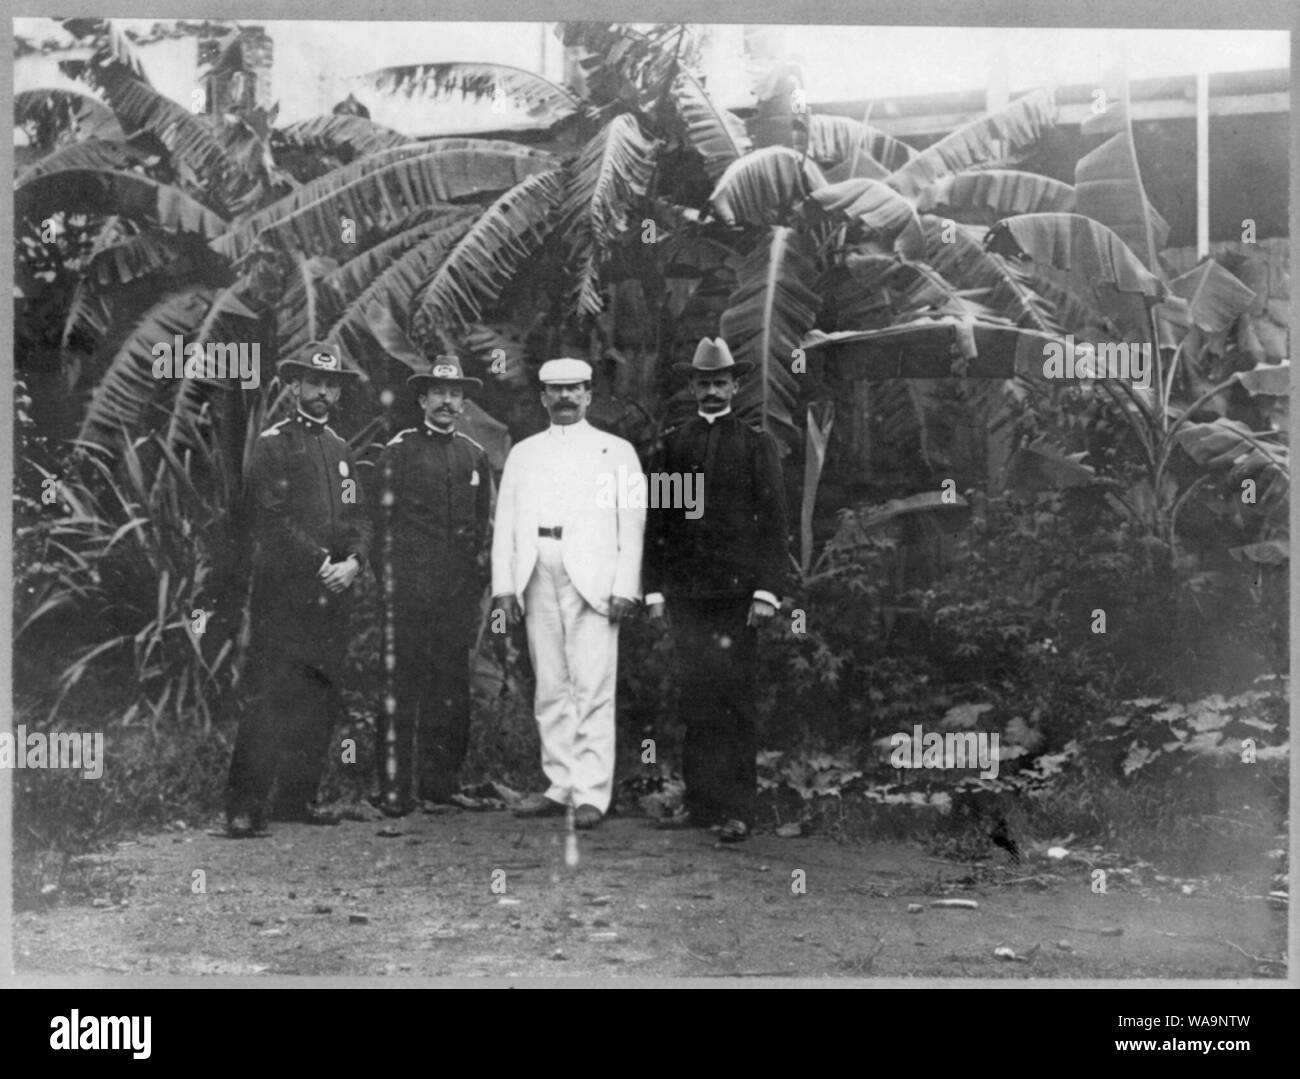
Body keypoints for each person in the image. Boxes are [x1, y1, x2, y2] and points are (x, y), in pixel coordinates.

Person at [644, 337, 791, 842]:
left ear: (735, 384)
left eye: (719, 382)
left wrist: (767, 591)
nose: (711, 390)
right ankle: (701, 803)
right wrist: (656, 589)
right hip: (688, 593)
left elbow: (774, 523)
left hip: (737, 595)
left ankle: (738, 809)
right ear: (692, 385)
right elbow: (659, 522)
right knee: (696, 697)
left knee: (735, 698)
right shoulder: (673, 443)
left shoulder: (755, 445)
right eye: (703, 382)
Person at [490, 358, 645, 830]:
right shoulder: (524, 453)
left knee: (593, 685)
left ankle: (593, 792)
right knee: (552, 684)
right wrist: (504, 587)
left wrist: (626, 586)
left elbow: (632, 524)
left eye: (574, 390)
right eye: (555, 391)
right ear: (542, 397)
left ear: (589, 395)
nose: (564, 398)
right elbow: (506, 524)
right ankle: (560, 785)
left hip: (594, 578)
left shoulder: (616, 452)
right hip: (538, 572)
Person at [225, 342, 372, 836]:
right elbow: (270, 520)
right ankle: (245, 805)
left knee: (319, 696)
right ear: (295, 386)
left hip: (334, 595)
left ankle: (297, 798)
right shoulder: (272, 445)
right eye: (315, 383)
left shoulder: (341, 450)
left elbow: (356, 517)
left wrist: (354, 560)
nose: (324, 392)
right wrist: (322, 563)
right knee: (270, 696)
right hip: (285, 596)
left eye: (331, 385)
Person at [372, 356, 492, 815]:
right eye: (439, 393)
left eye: (455, 393)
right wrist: (392, 584)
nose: (447, 401)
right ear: (422, 399)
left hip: (454, 596)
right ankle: (394, 789)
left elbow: (479, 525)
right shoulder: (398, 451)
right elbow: (379, 524)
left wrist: (468, 583)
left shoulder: (473, 455)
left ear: (463, 402)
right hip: (407, 593)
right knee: (401, 688)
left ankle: (441, 784)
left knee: (449, 689)